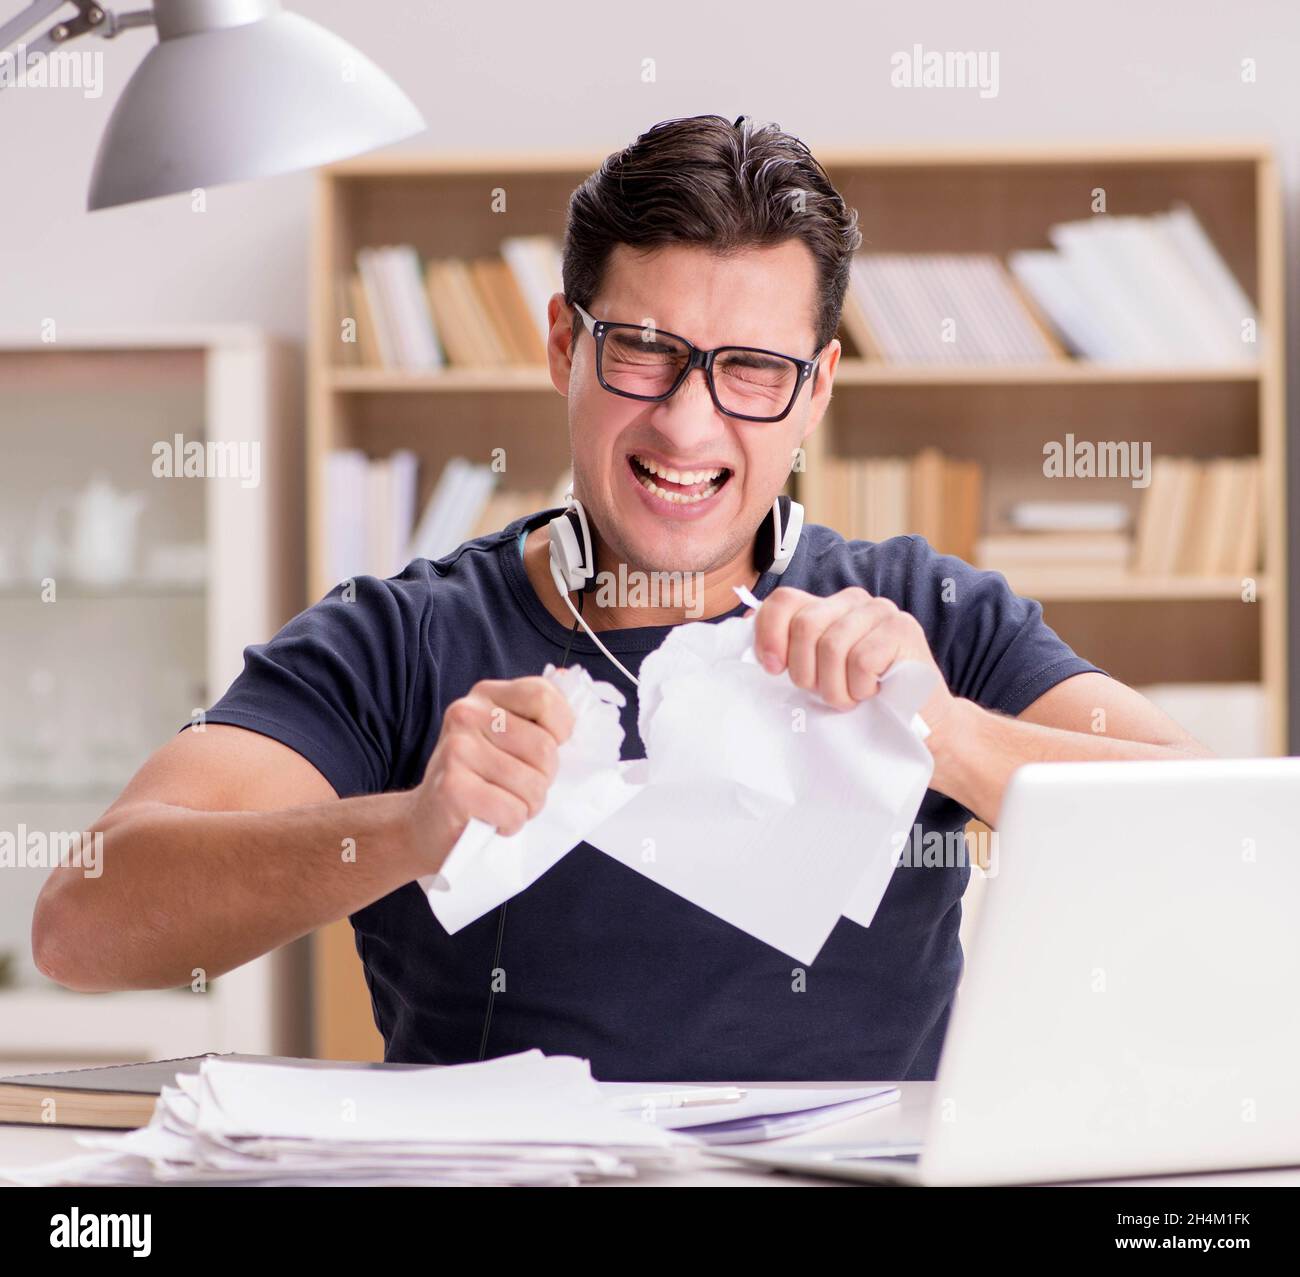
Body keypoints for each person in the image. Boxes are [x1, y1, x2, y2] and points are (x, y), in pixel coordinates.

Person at [33, 115, 1211, 1081]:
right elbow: (82, 921)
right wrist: (407, 825)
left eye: (752, 369)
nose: (687, 425)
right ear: (563, 345)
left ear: (816, 391)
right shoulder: (403, 635)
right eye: (643, 351)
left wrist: (941, 730)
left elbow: (1230, 846)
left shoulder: (928, 614)